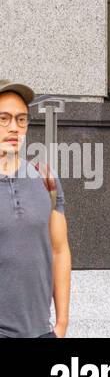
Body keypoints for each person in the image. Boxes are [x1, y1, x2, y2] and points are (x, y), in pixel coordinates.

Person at [0, 81, 70, 338]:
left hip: (41, 332)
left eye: (21, 120)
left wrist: (61, 325)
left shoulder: (46, 178)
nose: (13, 128)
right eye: (3, 119)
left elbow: (59, 250)